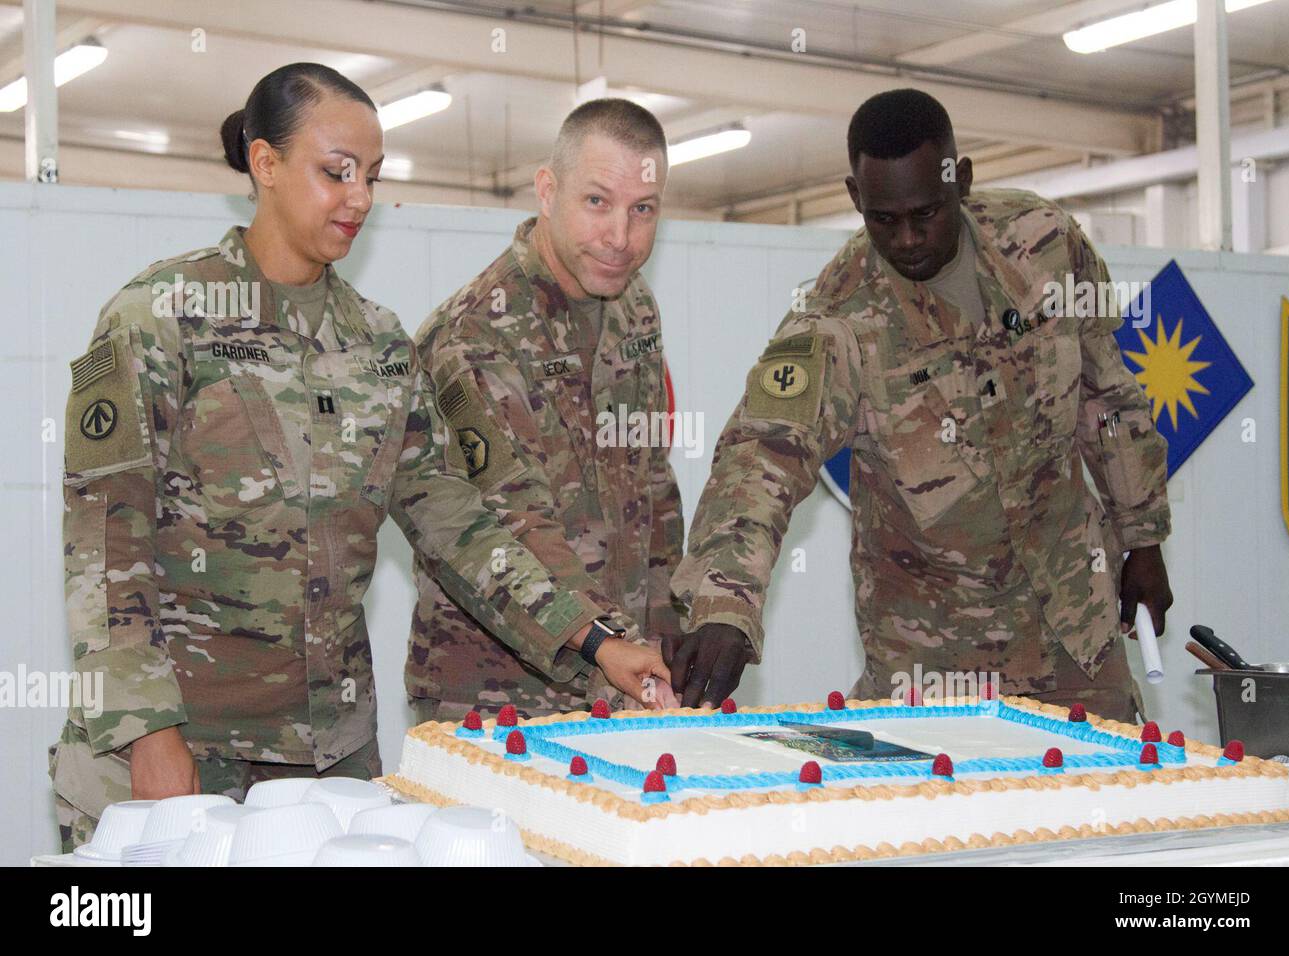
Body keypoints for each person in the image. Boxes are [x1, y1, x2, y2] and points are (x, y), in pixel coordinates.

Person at [51, 63, 668, 852]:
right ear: (265, 164)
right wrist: (146, 733)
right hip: (179, 754)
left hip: (327, 774)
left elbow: (459, 524)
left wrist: (597, 640)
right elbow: (106, 544)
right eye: (335, 172)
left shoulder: (380, 345)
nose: (359, 199)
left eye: (372, 176)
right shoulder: (158, 319)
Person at [667, 89, 1173, 721]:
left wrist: (1143, 536)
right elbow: (762, 459)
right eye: (883, 219)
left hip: (1077, 628)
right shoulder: (835, 318)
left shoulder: (1045, 245)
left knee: (1116, 807)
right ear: (855, 198)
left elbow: (1106, 393)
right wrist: (724, 606)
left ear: (960, 180)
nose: (907, 239)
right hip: (934, 660)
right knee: (942, 819)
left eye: (927, 212)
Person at [407, 99, 684, 723]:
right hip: (499, 692)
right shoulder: (475, 332)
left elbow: (653, 487)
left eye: (642, 210)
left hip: (624, 679)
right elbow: (514, 519)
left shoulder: (634, 306)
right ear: (547, 191)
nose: (620, 237)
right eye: (597, 202)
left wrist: (669, 639)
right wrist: (607, 642)